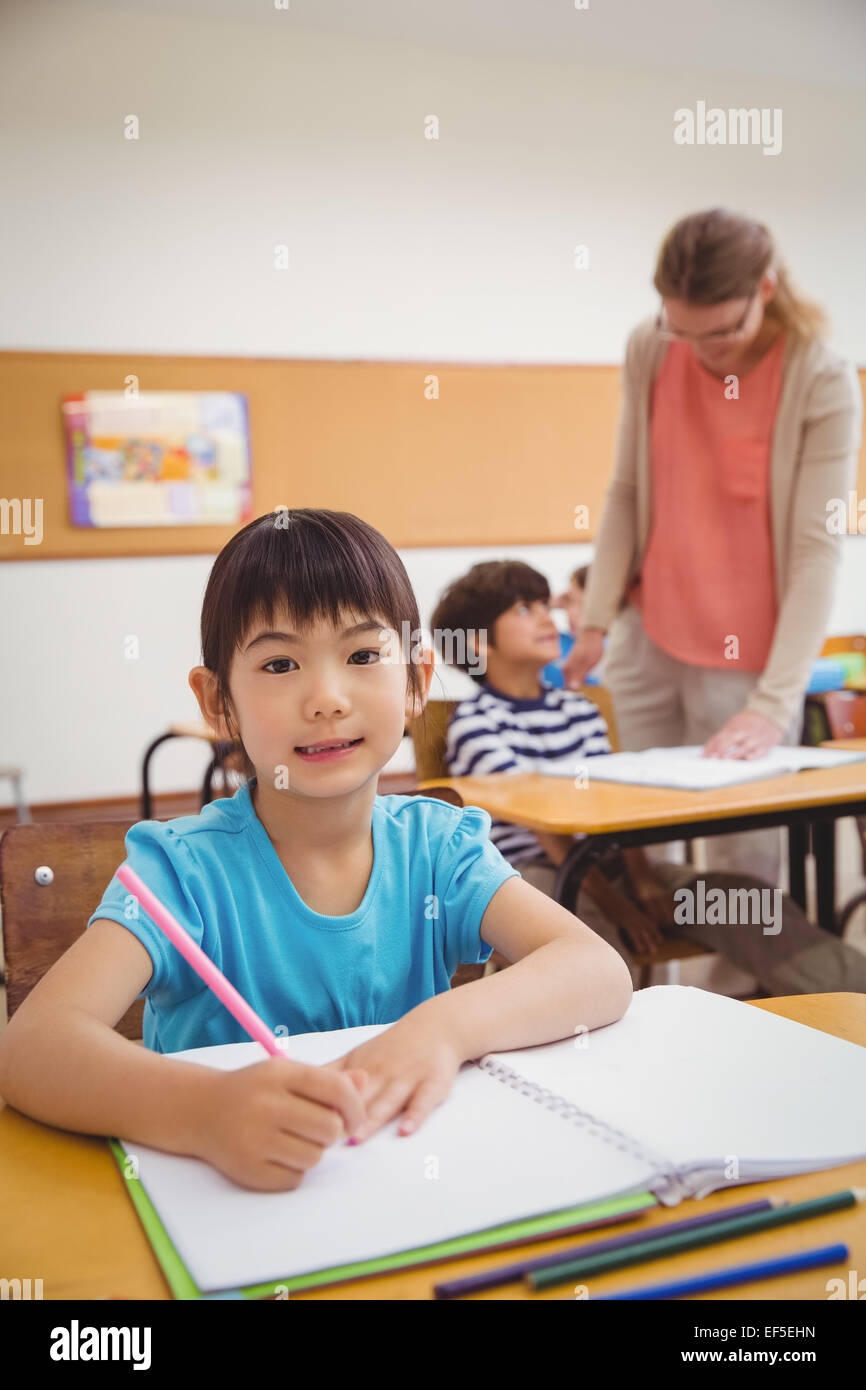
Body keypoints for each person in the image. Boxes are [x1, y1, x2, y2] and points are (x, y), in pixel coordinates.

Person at [0, 510, 631, 1193]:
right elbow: (32, 1050)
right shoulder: (183, 873)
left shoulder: (438, 848)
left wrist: (444, 1029)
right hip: (227, 1212)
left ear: (417, 681)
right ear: (219, 703)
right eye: (279, 663)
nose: (327, 699)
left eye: (363, 656)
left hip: (402, 1191)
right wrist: (203, 1112)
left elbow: (595, 968)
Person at [562, 209, 863, 882]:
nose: (704, 351)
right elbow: (626, 492)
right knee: (638, 850)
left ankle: (745, 994)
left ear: (766, 288)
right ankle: (645, 992)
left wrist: (773, 704)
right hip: (651, 636)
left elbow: (817, 550)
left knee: (744, 867)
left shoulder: (821, 376)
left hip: (749, 663)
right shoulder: (652, 345)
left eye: (723, 330)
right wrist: (597, 620)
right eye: (685, 330)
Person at [431, 559, 866, 995]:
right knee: (592, 944)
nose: (548, 617)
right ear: (478, 645)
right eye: (524, 609)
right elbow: (543, 826)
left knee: (747, 904)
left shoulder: (578, 709)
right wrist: (618, 903)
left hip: (609, 860)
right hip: (533, 874)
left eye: (545, 604)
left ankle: (851, 994)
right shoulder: (477, 723)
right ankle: (619, 1035)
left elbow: (614, 803)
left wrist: (642, 880)